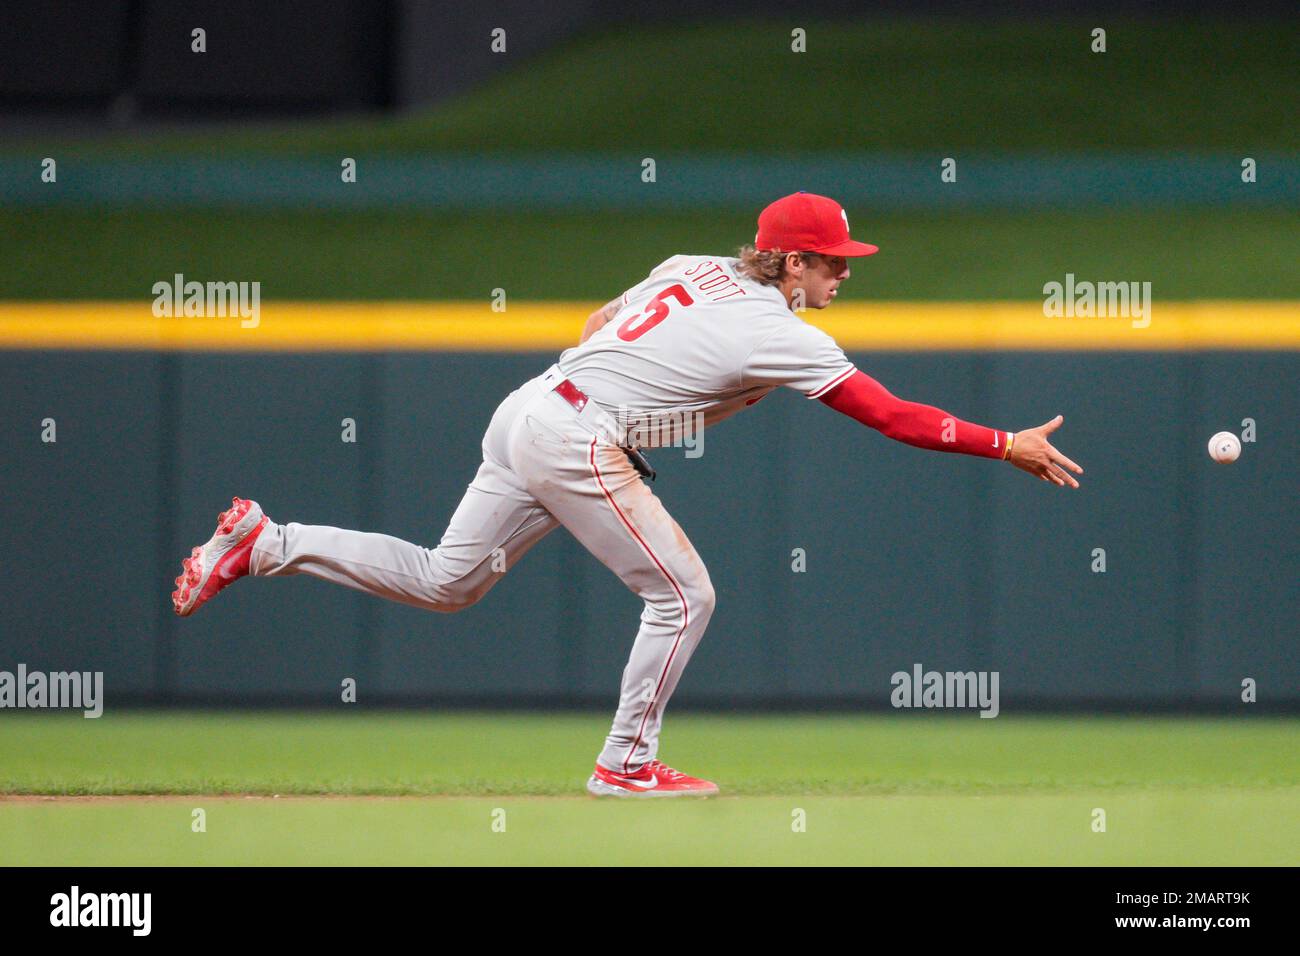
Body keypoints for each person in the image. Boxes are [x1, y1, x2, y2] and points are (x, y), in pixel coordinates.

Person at [171, 191, 1082, 797]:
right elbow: (887, 416)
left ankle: (267, 540)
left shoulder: (690, 265)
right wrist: (1006, 444)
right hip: (576, 436)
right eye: (831, 261)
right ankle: (626, 764)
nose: (844, 271)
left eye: (843, 259)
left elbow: (599, 324)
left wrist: (627, 399)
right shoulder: (782, 331)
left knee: (447, 580)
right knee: (685, 595)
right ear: (790, 264)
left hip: (532, 406)